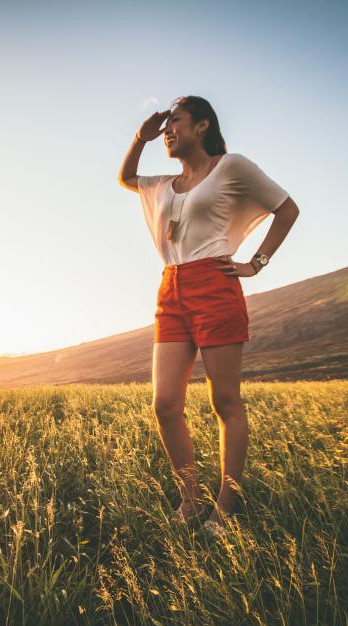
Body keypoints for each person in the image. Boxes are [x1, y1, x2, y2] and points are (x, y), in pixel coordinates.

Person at [118, 96, 300, 537]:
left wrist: (255, 264)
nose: (168, 131)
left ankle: (226, 506)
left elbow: (287, 209)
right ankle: (190, 498)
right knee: (165, 404)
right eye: (164, 128)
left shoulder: (230, 166)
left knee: (225, 402)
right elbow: (126, 178)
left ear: (201, 126)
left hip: (215, 284)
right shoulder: (164, 183)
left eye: (175, 123)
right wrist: (140, 137)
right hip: (171, 288)